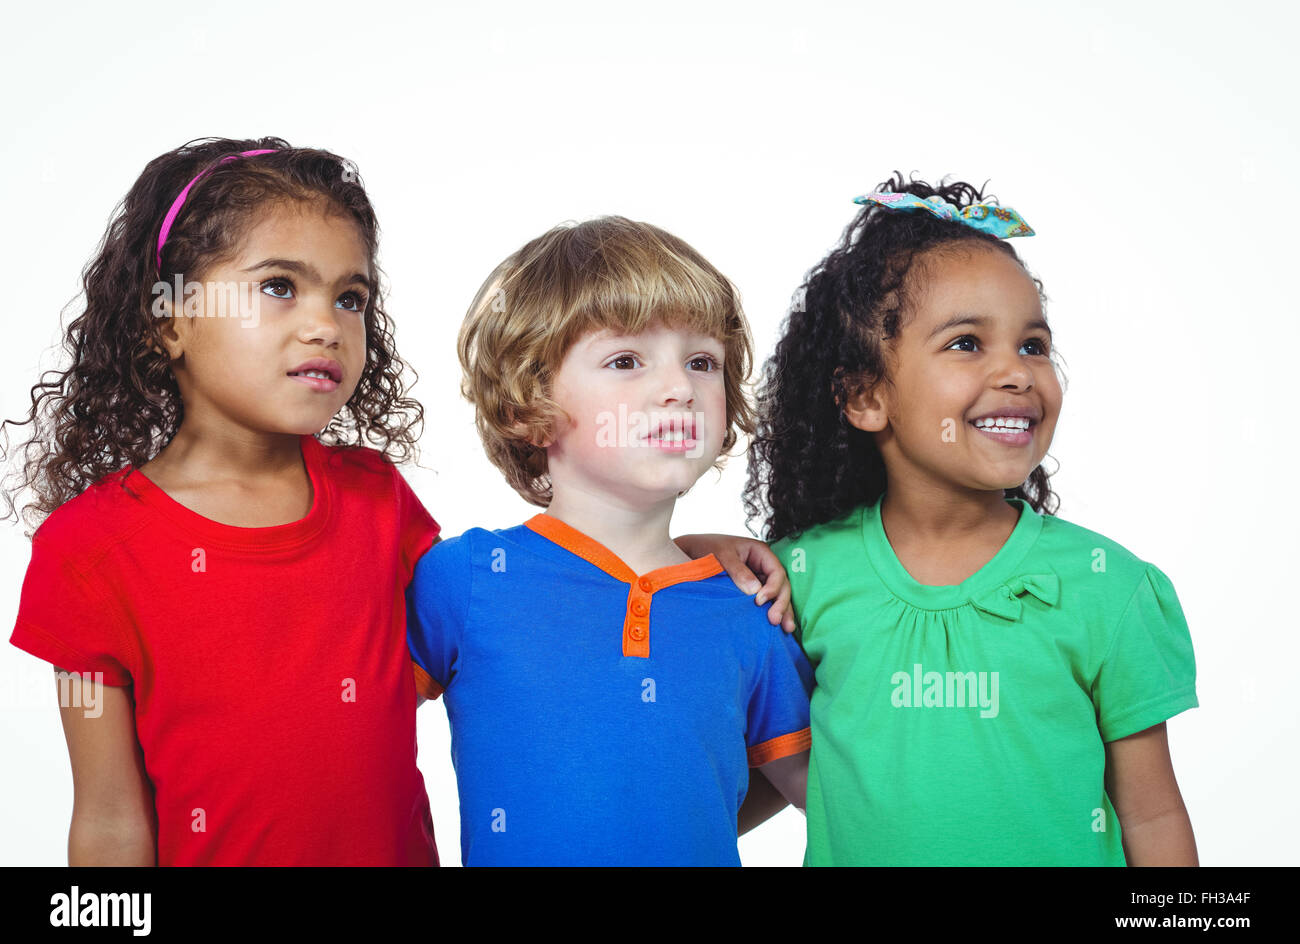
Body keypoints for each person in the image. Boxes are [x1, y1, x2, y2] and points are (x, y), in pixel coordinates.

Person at [2, 137, 443, 865]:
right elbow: (110, 821)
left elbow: (473, 643)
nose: (326, 325)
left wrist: (677, 557)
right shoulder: (88, 550)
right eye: (278, 285)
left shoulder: (380, 500)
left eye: (351, 297)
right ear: (167, 321)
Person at [749, 174, 1198, 866]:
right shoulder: (797, 579)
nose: (1018, 374)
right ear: (866, 397)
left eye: (1033, 345)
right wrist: (709, 547)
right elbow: (766, 772)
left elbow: (1154, 812)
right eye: (966, 343)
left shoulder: (1108, 587)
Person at [406, 216, 813, 865]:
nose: (680, 388)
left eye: (702, 361)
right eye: (626, 360)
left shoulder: (750, 605)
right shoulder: (467, 579)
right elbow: (346, 728)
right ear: (525, 405)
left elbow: (828, 792)